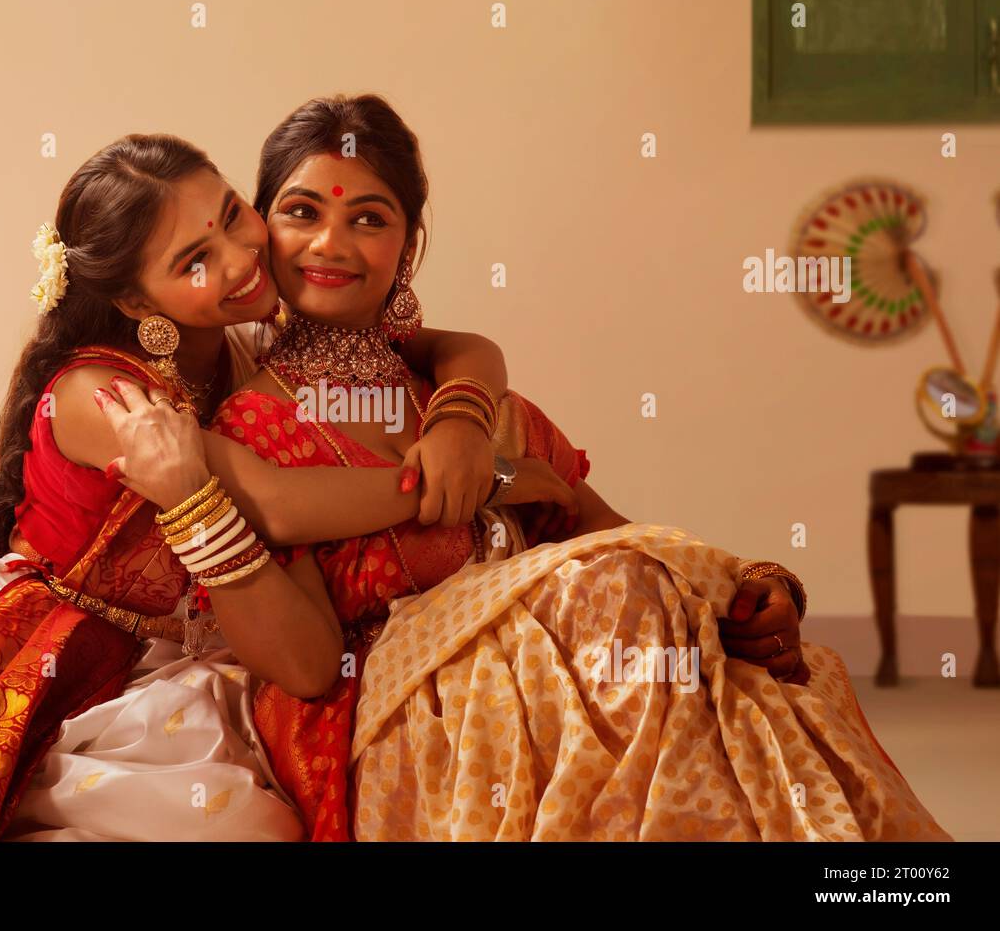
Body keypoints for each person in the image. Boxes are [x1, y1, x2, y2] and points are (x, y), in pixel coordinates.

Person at [103, 94, 950, 841]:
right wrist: (502, 509)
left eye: (369, 217)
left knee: (718, 657)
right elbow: (308, 663)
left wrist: (750, 587)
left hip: (572, 690)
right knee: (606, 606)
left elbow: (620, 542)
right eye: (300, 212)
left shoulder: (472, 402)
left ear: (409, 243)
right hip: (398, 718)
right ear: (262, 225)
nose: (332, 243)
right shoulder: (249, 431)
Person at [0, 132, 549, 841]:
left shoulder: (244, 345)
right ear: (139, 303)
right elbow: (276, 501)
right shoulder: (108, 399)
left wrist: (463, 420)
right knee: (235, 820)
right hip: (73, 655)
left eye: (233, 215)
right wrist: (486, 482)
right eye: (194, 261)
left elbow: (451, 344)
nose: (241, 257)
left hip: (198, 638)